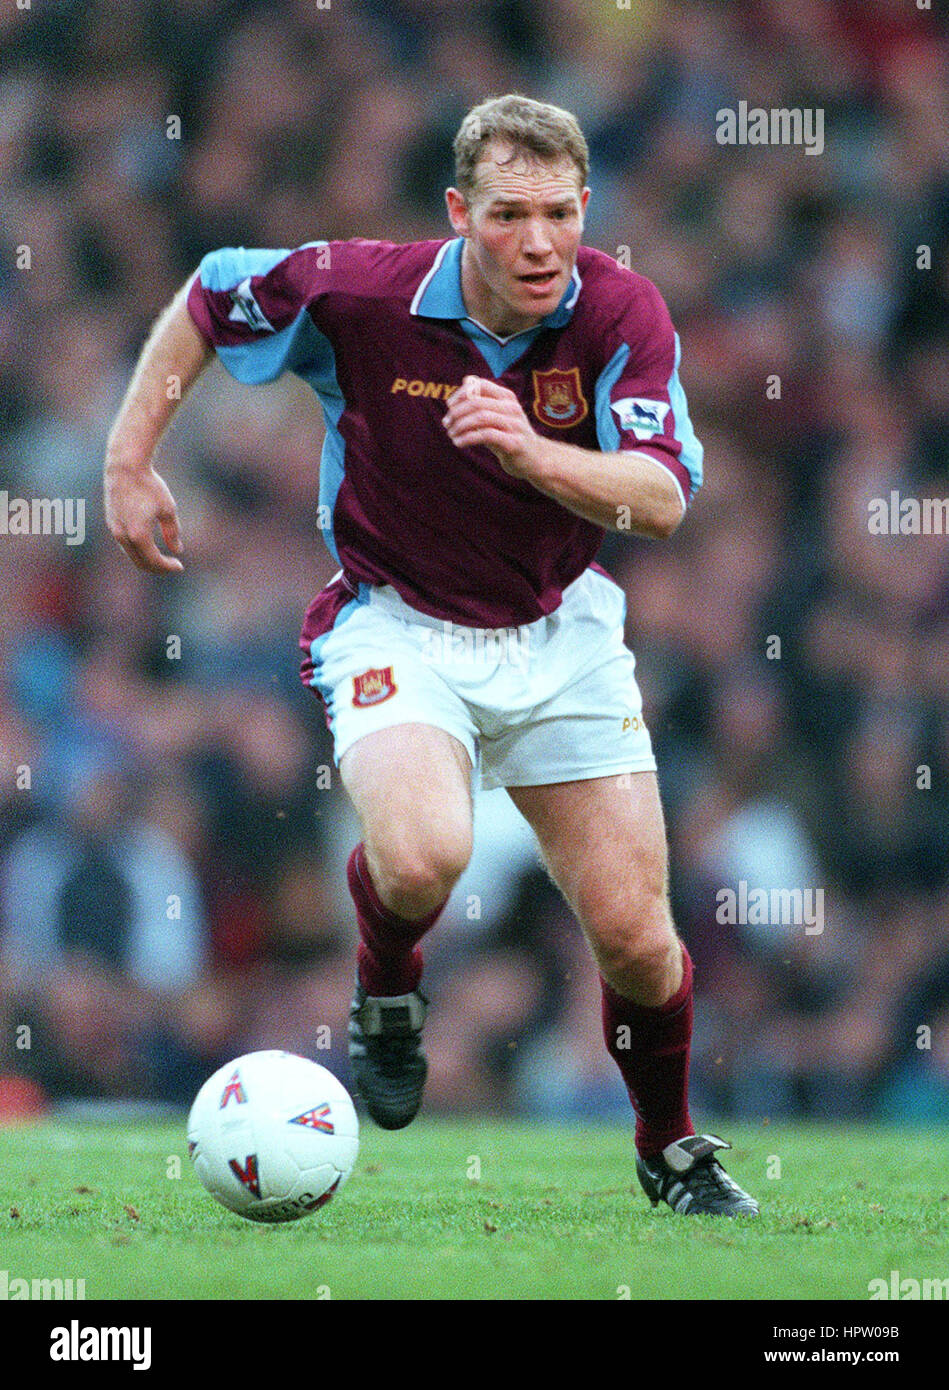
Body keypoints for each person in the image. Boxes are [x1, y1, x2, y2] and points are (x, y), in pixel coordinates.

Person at [104, 94, 758, 1217]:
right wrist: (129, 455)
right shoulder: (361, 291)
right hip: (395, 621)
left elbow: (660, 499)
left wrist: (531, 449)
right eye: (510, 214)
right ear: (461, 212)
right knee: (421, 860)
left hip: (561, 635)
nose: (540, 240)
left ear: (586, 206)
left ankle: (669, 1145)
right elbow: (214, 292)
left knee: (641, 945)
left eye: (560, 211)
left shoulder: (622, 312)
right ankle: (387, 982)